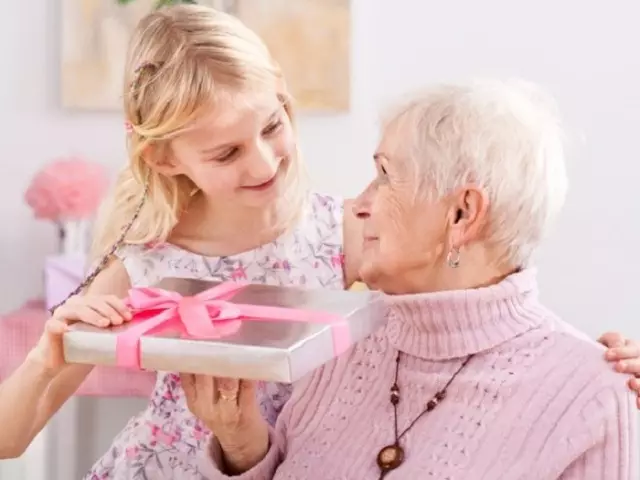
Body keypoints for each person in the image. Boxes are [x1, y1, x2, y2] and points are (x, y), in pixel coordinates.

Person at [0, 5, 638, 478]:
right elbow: (10, 437)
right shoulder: (147, 260)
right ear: (166, 160)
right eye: (225, 152)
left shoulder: (348, 232)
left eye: (272, 126)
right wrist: (46, 357)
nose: (262, 165)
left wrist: (601, 368)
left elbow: (477, 292)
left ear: (283, 95)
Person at [190, 80, 639, 479]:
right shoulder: (340, 343)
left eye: (385, 176)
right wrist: (241, 444)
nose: (359, 204)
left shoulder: (593, 397)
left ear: (462, 214)